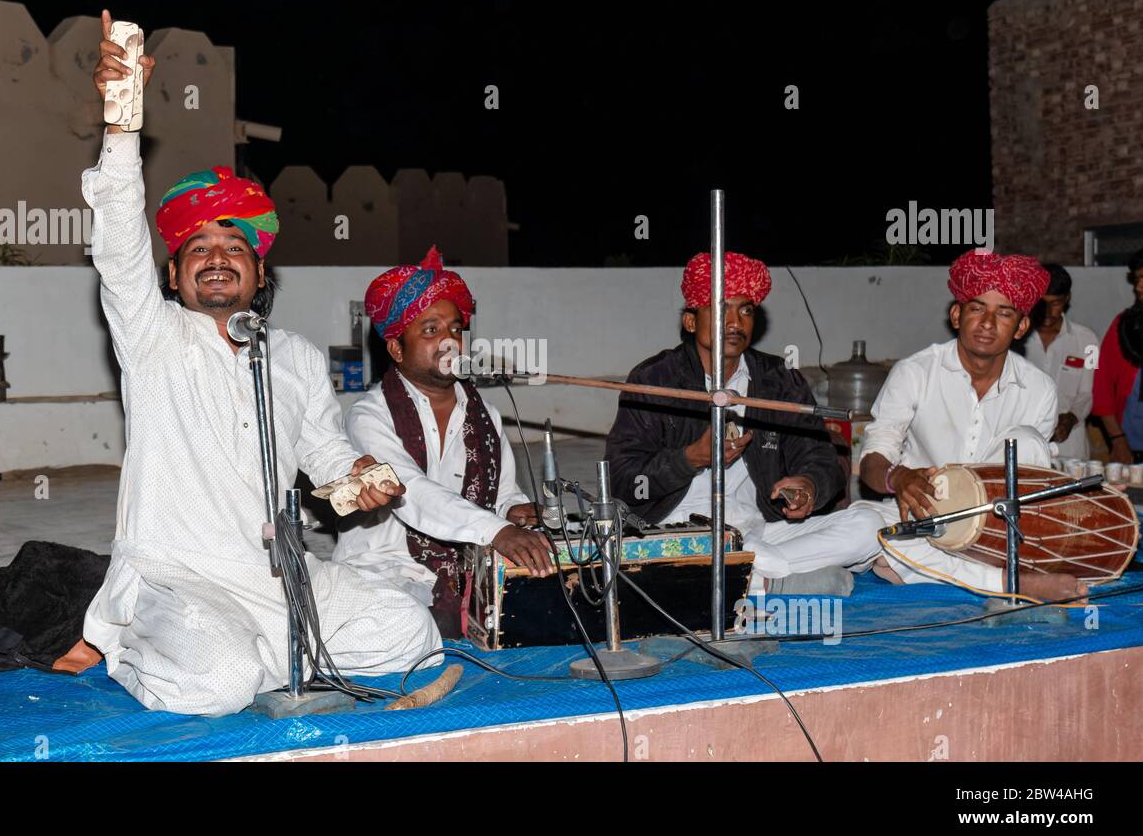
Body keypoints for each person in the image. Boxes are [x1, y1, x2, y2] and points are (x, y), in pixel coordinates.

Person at [80, 11, 440, 716]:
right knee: (218, 684)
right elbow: (118, 243)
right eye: (199, 251)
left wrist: (358, 480)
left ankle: (258, 659)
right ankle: (138, 647)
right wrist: (121, 123)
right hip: (177, 576)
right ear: (175, 274)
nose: (217, 260)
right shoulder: (153, 335)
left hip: (278, 575)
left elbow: (327, 459)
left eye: (235, 248)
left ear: (259, 273)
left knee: (411, 632)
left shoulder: (294, 357)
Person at [605, 251, 884, 593]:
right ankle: (767, 576)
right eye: (722, 309)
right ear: (691, 322)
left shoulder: (778, 379)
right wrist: (690, 458)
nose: (736, 322)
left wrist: (809, 485)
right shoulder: (655, 379)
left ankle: (749, 576)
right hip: (680, 532)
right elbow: (624, 483)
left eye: (746, 310)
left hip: (759, 526)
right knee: (675, 553)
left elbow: (820, 458)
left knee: (871, 526)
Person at [332, 248, 556, 638]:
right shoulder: (368, 416)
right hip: (386, 570)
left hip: (469, 566)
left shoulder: (485, 413)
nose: (450, 341)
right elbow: (410, 492)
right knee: (410, 631)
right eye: (431, 330)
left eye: (455, 329)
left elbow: (501, 494)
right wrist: (497, 531)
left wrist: (516, 511)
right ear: (397, 348)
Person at [854, 249, 1084, 601]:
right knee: (865, 526)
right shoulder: (914, 372)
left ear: (1021, 326)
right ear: (957, 314)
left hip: (994, 531)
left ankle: (927, 570)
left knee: (1026, 441)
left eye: (1004, 313)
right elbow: (872, 460)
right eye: (977, 308)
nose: (988, 323)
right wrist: (897, 478)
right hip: (918, 515)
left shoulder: (1040, 390)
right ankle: (1004, 582)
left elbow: (1032, 481)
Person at [1025, 264, 1097, 461]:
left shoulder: (1088, 340)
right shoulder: (1015, 339)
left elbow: (1088, 393)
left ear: (1067, 299)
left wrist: (1071, 417)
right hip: (1025, 442)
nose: (1048, 312)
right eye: (1041, 303)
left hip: (1070, 444)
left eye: (1055, 303)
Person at [1093, 249, 1143, 463]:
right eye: (1137, 279)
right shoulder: (1123, 325)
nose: (1139, 287)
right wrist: (1118, 439)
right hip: (1132, 446)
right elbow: (1101, 384)